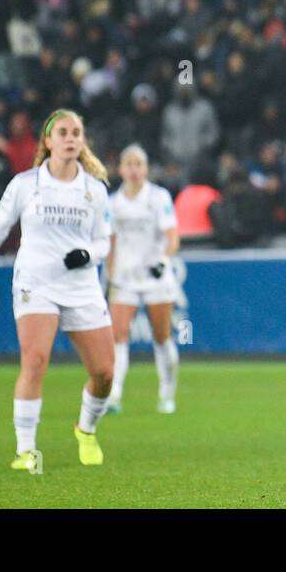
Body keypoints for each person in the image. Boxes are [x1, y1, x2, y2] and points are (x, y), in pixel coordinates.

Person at [0, 108, 115, 471]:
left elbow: (104, 242)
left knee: (105, 373)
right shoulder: (25, 184)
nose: (71, 138)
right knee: (35, 361)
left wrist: (87, 254)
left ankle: (86, 428)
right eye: (63, 132)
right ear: (48, 141)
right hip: (36, 283)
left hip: (81, 287)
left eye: (77, 132)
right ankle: (26, 449)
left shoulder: (94, 191)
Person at [105, 144, 181, 414]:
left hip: (155, 277)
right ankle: (114, 394)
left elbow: (172, 238)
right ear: (121, 169)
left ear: (146, 169)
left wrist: (163, 261)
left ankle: (166, 393)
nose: (135, 170)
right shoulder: (113, 203)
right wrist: (109, 276)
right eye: (130, 164)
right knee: (118, 336)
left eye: (139, 164)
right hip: (124, 277)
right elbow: (110, 243)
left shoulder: (159, 198)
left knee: (162, 337)